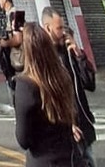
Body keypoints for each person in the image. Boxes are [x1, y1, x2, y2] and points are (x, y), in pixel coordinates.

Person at [14, 23, 81, 167]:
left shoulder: (26, 85)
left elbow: (23, 140)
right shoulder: (63, 76)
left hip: (44, 159)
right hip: (71, 158)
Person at [42, 9, 96, 166]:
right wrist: (66, 124)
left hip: (83, 123)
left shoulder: (70, 52)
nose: (62, 33)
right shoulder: (45, 58)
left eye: (63, 28)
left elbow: (89, 83)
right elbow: (49, 97)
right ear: (47, 28)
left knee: (90, 160)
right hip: (65, 130)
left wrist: (79, 55)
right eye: (59, 29)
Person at [0, 0, 24, 92]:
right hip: (14, 61)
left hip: (20, 62)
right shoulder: (9, 14)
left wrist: (5, 43)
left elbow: (18, 39)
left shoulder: (15, 14)